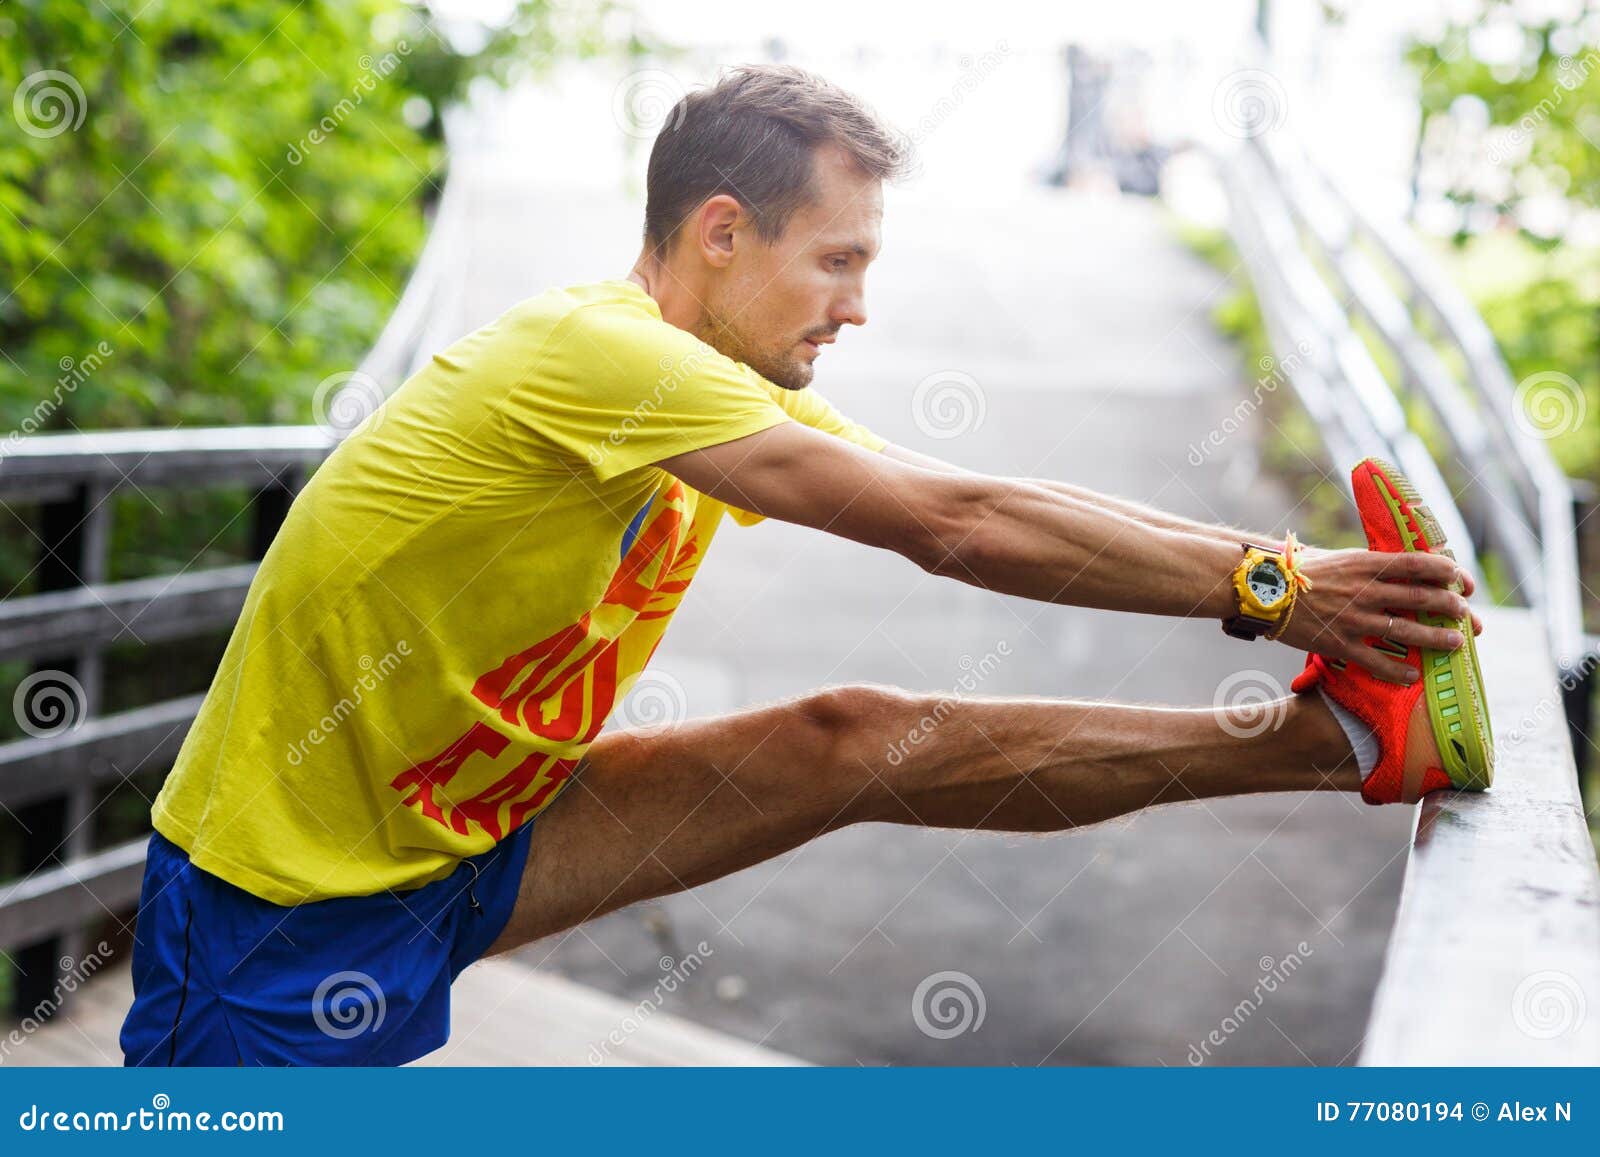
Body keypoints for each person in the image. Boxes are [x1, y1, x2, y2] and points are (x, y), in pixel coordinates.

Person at [120, 63, 1491, 1066]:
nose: (858, 303)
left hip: (475, 832)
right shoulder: (598, 357)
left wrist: (1289, 569)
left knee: (856, 741)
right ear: (723, 232)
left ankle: (1343, 744)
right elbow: (945, 524)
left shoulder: (709, 388)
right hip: (277, 904)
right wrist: (1275, 584)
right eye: (836, 260)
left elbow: (975, 494)